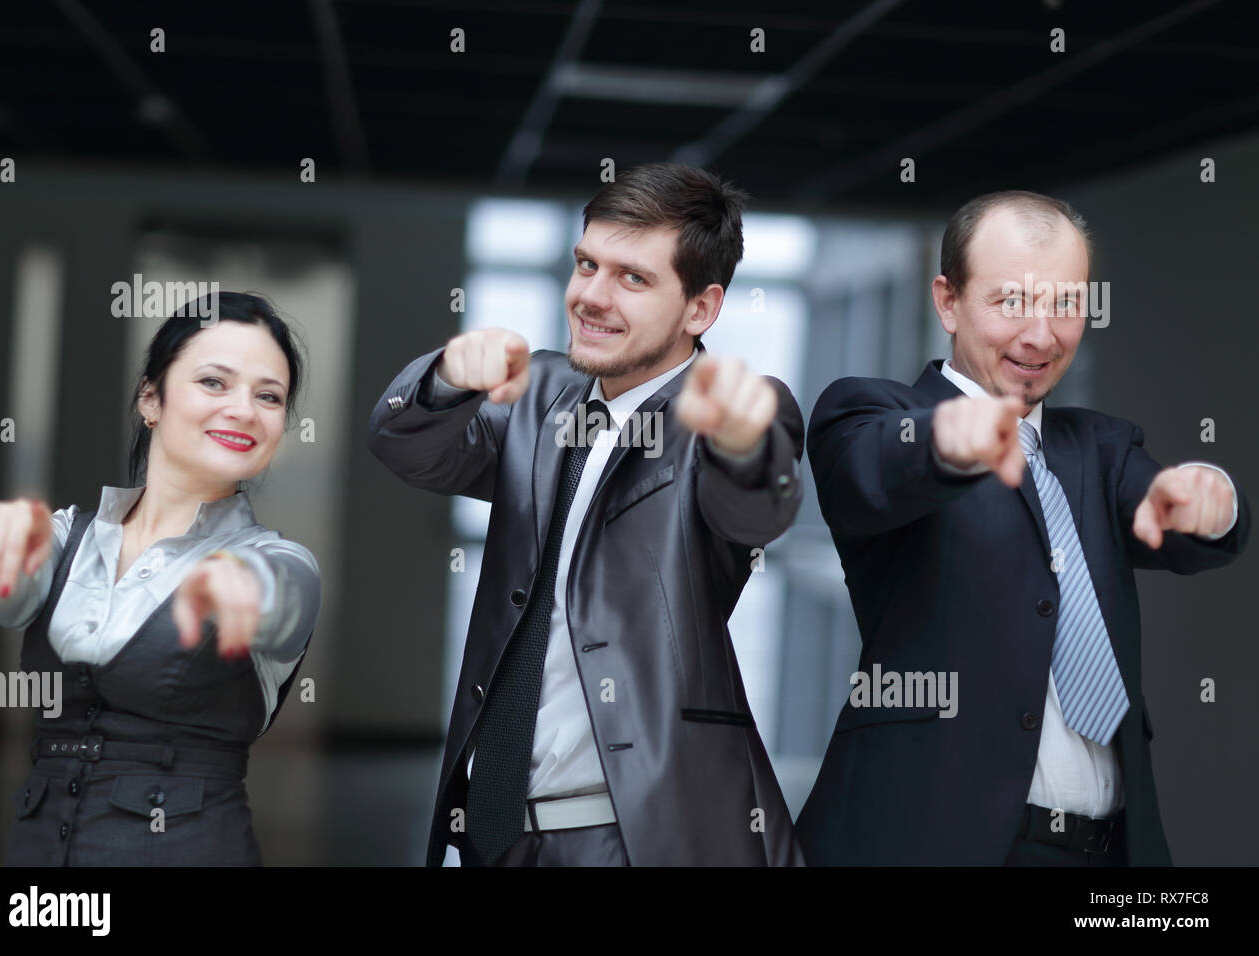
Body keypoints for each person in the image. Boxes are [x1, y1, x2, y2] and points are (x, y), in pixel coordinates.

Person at [795, 190, 1249, 866]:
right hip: (934, 843)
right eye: (1011, 302)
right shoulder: (871, 413)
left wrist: (1210, 499)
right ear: (948, 301)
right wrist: (949, 440)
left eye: (1065, 304)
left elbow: (1171, 518)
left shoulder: (1101, 448)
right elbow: (873, 473)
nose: (1041, 335)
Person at [369, 163, 805, 866]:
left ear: (700, 308)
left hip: (634, 835)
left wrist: (740, 442)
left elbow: (752, 511)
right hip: (495, 831)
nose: (592, 297)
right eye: (586, 265)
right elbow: (405, 448)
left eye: (633, 278)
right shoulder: (540, 391)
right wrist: (448, 377)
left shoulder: (728, 413)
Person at [0, 292, 321, 866]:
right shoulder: (66, 538)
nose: (244, 410)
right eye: (214, 382)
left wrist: (253, 591)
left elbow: (287, 599)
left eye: (268, 396)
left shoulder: (280, 560)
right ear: (150, 399)